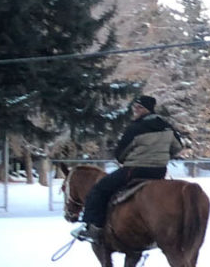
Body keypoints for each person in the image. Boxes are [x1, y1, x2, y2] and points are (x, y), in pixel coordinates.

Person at [72, 94, 184, 241]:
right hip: (159, 171)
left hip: (135, 170)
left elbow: (121, 154)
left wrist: (128, 159)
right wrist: (162, 156)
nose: (135, 110)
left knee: (99, 189)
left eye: (139, 107)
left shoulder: (135, 128)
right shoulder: (167, 127)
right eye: (135, 107)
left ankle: (93, 228)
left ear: (147, 109)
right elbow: (178, 147)